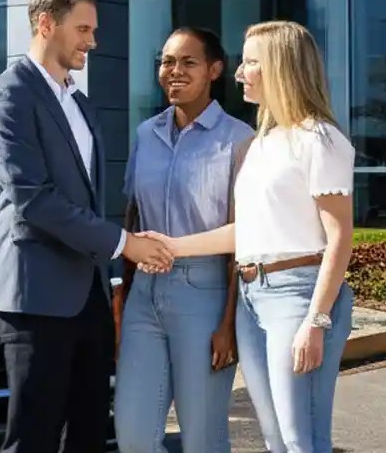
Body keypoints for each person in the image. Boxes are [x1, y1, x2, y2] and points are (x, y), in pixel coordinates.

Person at [0, 0, 175, 453]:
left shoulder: (81, 105)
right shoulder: (8, 98)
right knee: (34, 438)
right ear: (46, 24)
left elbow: (84, 198)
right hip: (35, 299)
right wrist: (125, 244)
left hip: (87, 295)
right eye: (83, 29)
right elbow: (34, 199)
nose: (93, 41)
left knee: (89, 432)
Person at [139, 20, 356, 453]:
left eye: (251, 62)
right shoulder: (264, 142)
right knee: (276, 439)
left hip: (298, 296)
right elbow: (248, 231)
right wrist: (172, 246)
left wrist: (316, 321)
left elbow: (340, 237)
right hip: (253, 295)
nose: (240, 72)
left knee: (301, 440)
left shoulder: (321, 139)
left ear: (281, 67)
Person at [112, 27, 255, 453]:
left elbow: (243, 237)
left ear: (214, 70)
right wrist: (123, 297)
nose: (174, 71)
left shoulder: (239, 140)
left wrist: (228, 324)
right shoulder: (144, 135)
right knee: (133, 435)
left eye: (188, 62)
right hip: (144, 295)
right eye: (166, 61)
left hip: (206, 295)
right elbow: (132, 213)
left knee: (203, 439)